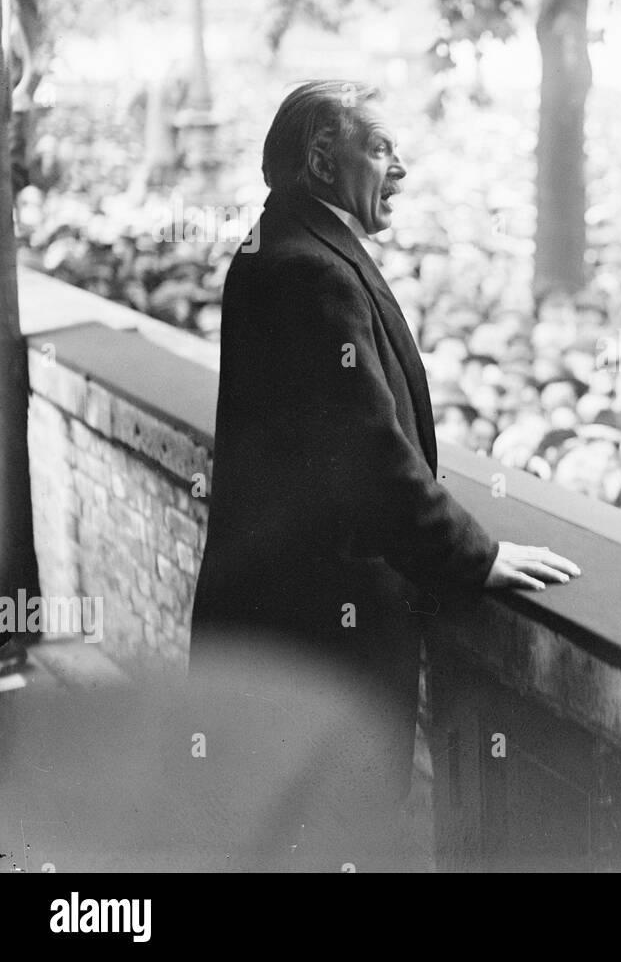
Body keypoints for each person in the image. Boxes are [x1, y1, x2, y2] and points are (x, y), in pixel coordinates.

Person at [190, 81, 580, 804]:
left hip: (279, 623)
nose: (400, 168)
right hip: (320, 638)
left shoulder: (278, 241)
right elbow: (369, 456)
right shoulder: (312, 271)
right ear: (320, 161)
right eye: (379, 149)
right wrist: (477, 555)